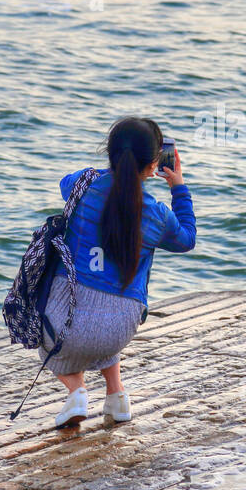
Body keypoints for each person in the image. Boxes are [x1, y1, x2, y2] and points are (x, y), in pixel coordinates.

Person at [41, 117, 196, 428]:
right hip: (119, 329)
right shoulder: (158, 215)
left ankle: (77, 392)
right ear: (154, 164)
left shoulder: (84, 185)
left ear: (109, 153)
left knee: (45, 330)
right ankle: (117, 396)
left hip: (65, 326)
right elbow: (187, 240)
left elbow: (64, 183)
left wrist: (100, 174)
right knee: (106, 308)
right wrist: (178, 187)